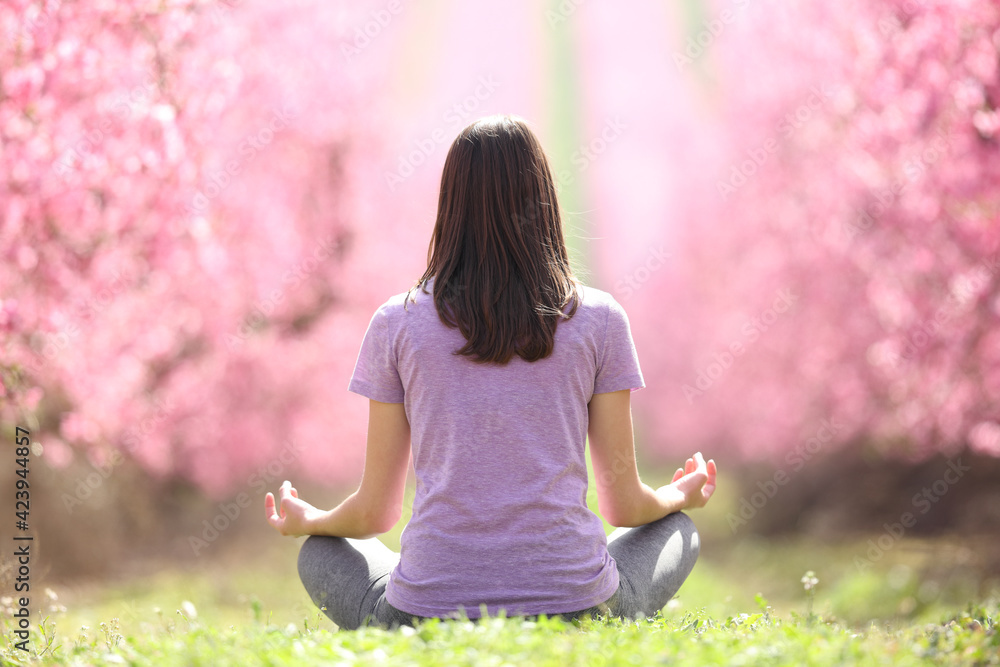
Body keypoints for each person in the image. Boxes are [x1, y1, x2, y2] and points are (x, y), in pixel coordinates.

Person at [264, 114, 717, 630]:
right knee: (678, 530)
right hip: (579, 607)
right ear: (543, 199)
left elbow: (374, 514)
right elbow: (625, 504)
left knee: (318, 553)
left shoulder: (396, 322)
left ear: (450, 206)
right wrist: (683, 493)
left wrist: (314, 522)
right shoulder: (600, 319)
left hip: (424, 613)